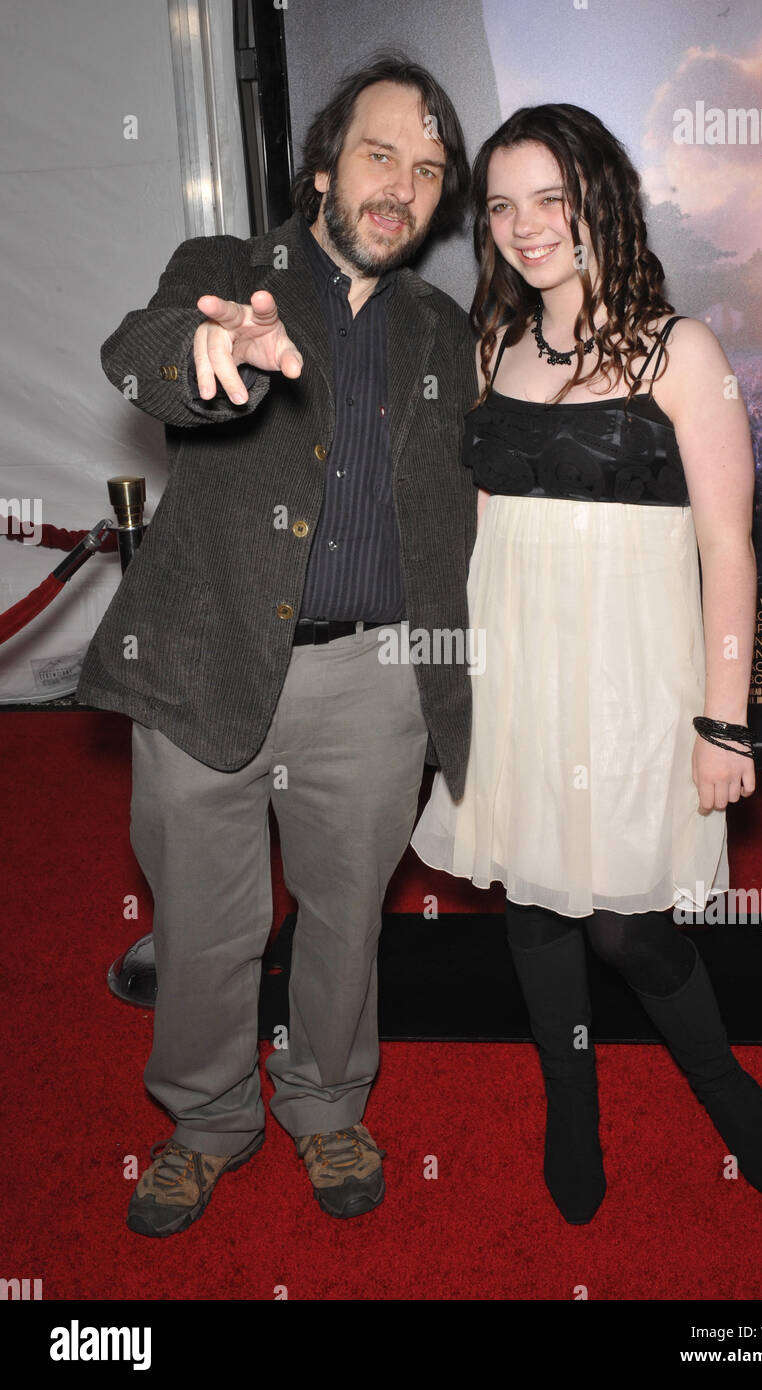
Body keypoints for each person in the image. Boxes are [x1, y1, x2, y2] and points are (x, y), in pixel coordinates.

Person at [76, 53, 477, 1233]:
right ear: (320, 168)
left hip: (374, 681)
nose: (400, 185)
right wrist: (214, 361)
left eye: (426, 168)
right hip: (209, 657)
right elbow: (145, 348)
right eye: (377, 154)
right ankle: (205, 1120)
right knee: (205, 919)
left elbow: (472, 498)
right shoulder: (229, 272)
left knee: (349, 912)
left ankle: (325, 1098)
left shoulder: (443, 331)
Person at [410, 104, 762, 1224]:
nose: (526, 227)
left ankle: (720, 1081)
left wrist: (725, 723)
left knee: (628, 920)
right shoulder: (495, 344)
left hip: (636, 680)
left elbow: (728, 542)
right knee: (532, 900)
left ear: (601, 202)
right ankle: (569, 1101)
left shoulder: (686, 351)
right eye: (500, 205)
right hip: (515, 674)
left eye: (551, 198)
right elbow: (483, 527)